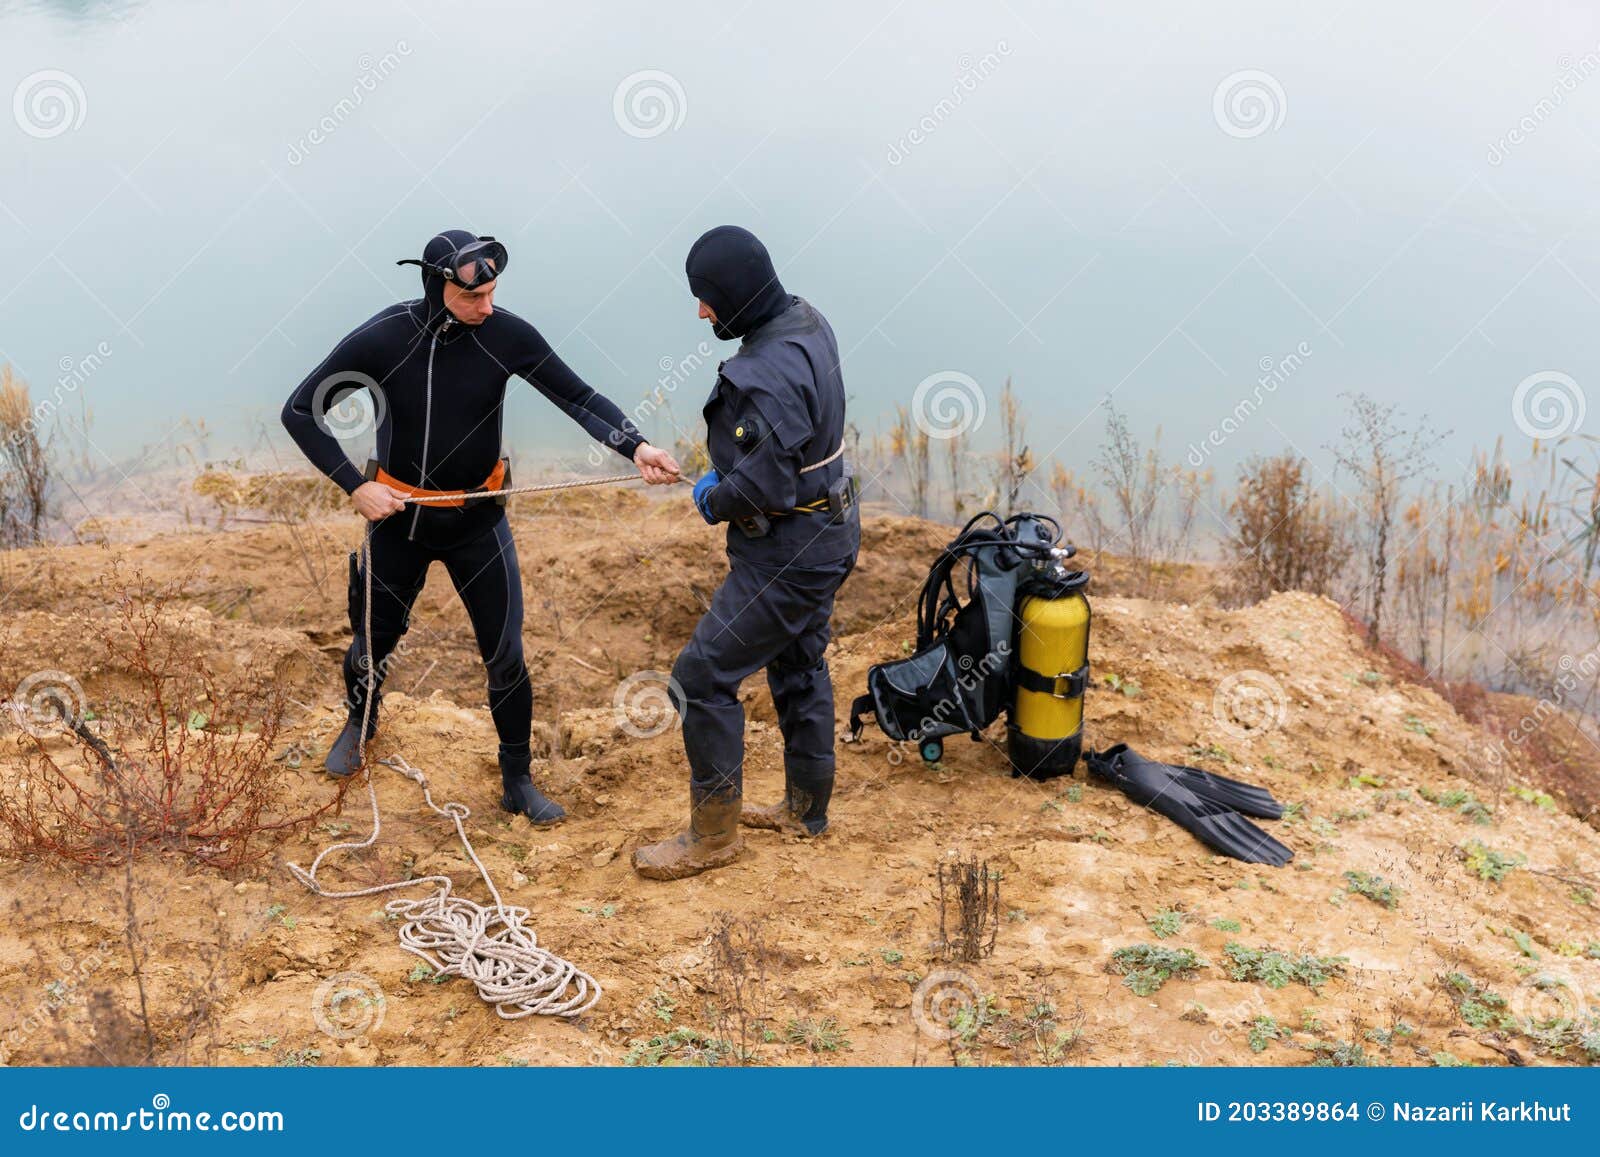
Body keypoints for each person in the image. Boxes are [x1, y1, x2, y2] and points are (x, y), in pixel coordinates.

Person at [281, 229, 680, 825]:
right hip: (399, 520)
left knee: (506, 656)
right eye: (474, 297)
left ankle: (517, 778)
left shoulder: (506, 335)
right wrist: (356, 486)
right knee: (373, 642)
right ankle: (359, 726)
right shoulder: (387, 336)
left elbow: (578, 397)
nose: (486, 306)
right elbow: (299, 410)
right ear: (436, 284)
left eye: (493, 293)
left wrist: (637, 446)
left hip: (478, 522)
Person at [633, 226, 859, 880]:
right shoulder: (805, 320)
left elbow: (766, 485)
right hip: (832, 528)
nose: (701, 311)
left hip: (788, 553)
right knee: (797, 659)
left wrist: (716, 495)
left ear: (732, 294)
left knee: (700, 677)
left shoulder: (760, 374)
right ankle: (806, 809)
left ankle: (714, 837)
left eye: (706, 298)